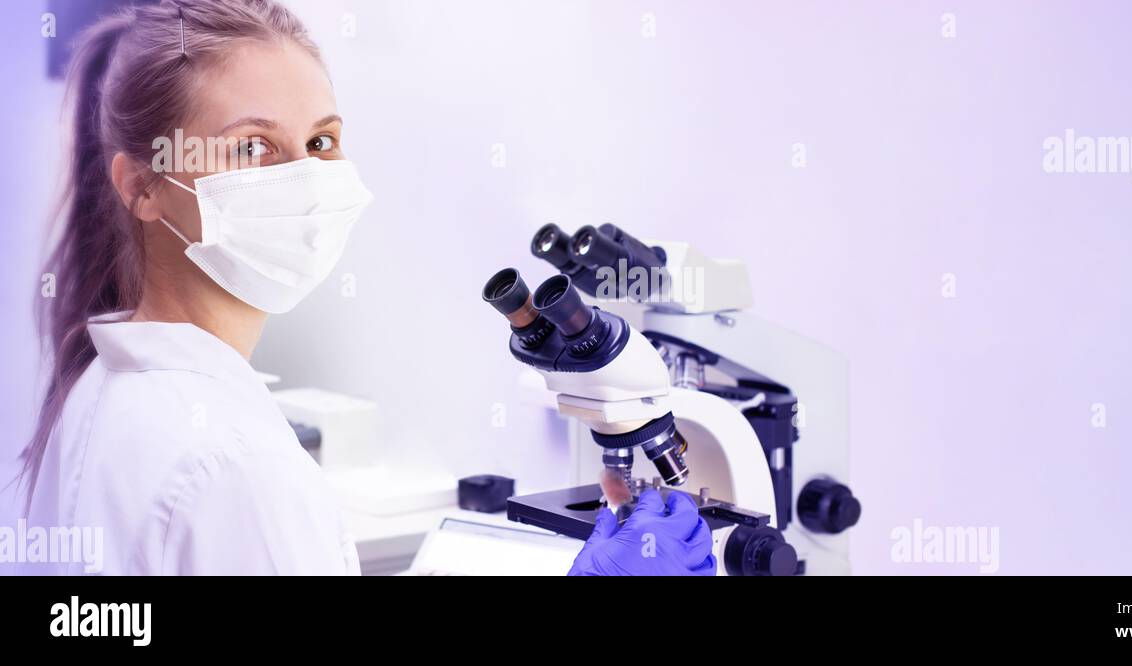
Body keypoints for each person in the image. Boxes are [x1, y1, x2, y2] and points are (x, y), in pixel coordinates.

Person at [18, 0, 715, 576]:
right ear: (143, 187)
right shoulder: (236, 466)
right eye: (253, 147)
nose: (307, 180)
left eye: (321, 143)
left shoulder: (96, 391)